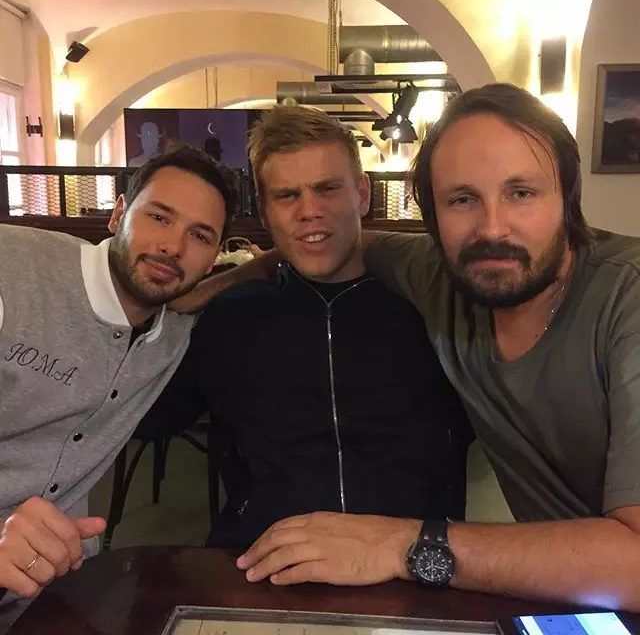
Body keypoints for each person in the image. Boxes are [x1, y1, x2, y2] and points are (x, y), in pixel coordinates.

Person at [179, 85, 640, 611]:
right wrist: (220, 284)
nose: (492, 227)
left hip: (543, 588)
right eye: (463, 199)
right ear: (435, 215)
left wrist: (405, 544)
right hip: (567, 595)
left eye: (522, 192)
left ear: (569, 195)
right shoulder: (447, 277)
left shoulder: (623, 296)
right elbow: (344, 242)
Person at [142, 105, 471, 556]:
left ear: (362, 193)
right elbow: (142, 417)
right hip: (261, 566)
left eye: (327, 189)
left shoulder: (431, 309)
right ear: (263, 210)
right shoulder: (228, 317)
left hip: (414, 569)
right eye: (287, 195)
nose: (309, 211)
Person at [0, 145, 237, 618]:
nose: (173, 246)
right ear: (118, 215)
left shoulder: (176, 329)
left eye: (200, 235)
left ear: (213, 258)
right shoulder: (13, 270)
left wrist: (269, 264)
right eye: (159, 217)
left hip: (56, 590)